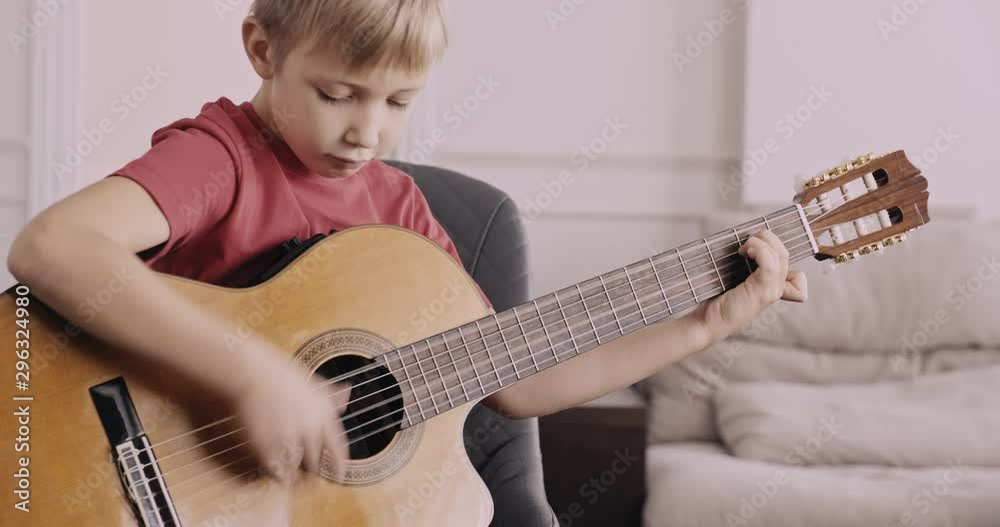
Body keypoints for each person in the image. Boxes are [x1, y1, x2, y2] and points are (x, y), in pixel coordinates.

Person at [7, 0, 806, 501]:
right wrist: (253, 372)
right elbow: (53, 245)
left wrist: (705, 325)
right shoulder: (222, 157)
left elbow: (517, 382)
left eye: (398, 102)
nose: (367, 131)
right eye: (336, 94)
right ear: (261, 49)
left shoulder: (397, 213)